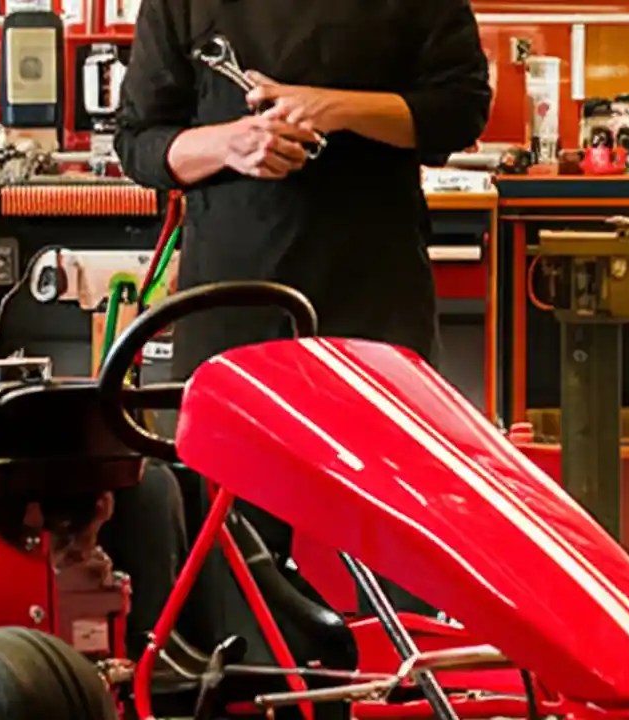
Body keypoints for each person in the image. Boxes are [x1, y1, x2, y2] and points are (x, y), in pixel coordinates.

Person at [106, 0, 493, 652]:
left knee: (401, 527)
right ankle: (246, 680)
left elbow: (460, 109)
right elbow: (139, 143)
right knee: (231, 545)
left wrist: (333, 108)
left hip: (373, 294)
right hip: (233, 301)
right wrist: (232, 144)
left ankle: (408, 681)